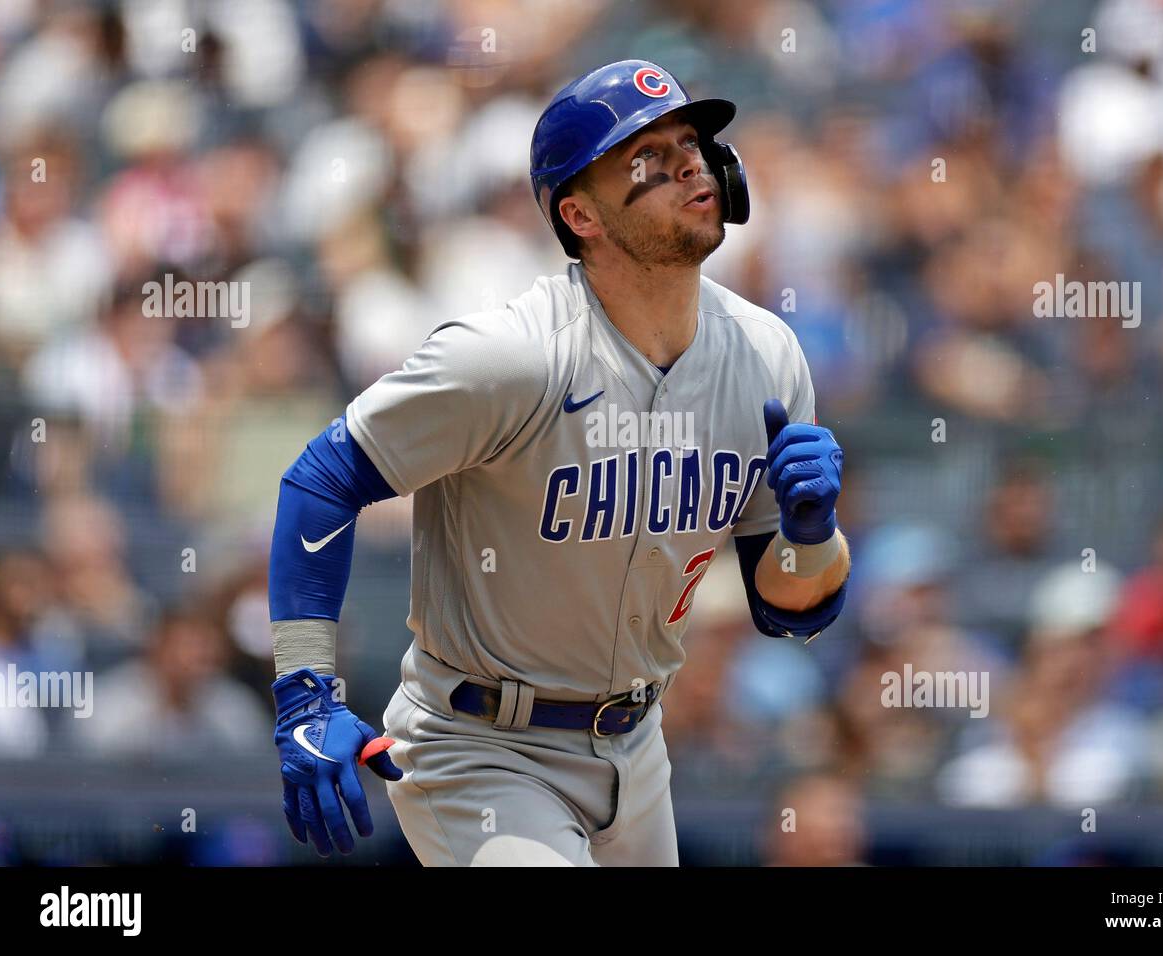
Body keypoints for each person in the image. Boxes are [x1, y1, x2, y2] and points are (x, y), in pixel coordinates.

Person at [266, 60, 850, 866]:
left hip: (639, 748)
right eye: (643, 158)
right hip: (479, 746)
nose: (686, 163)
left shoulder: (768, 355)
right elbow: (322, 479)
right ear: (581, 214)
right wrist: (304, 692)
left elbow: (790, 608)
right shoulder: (510, 356)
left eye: (691, 142)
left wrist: (811, 530)